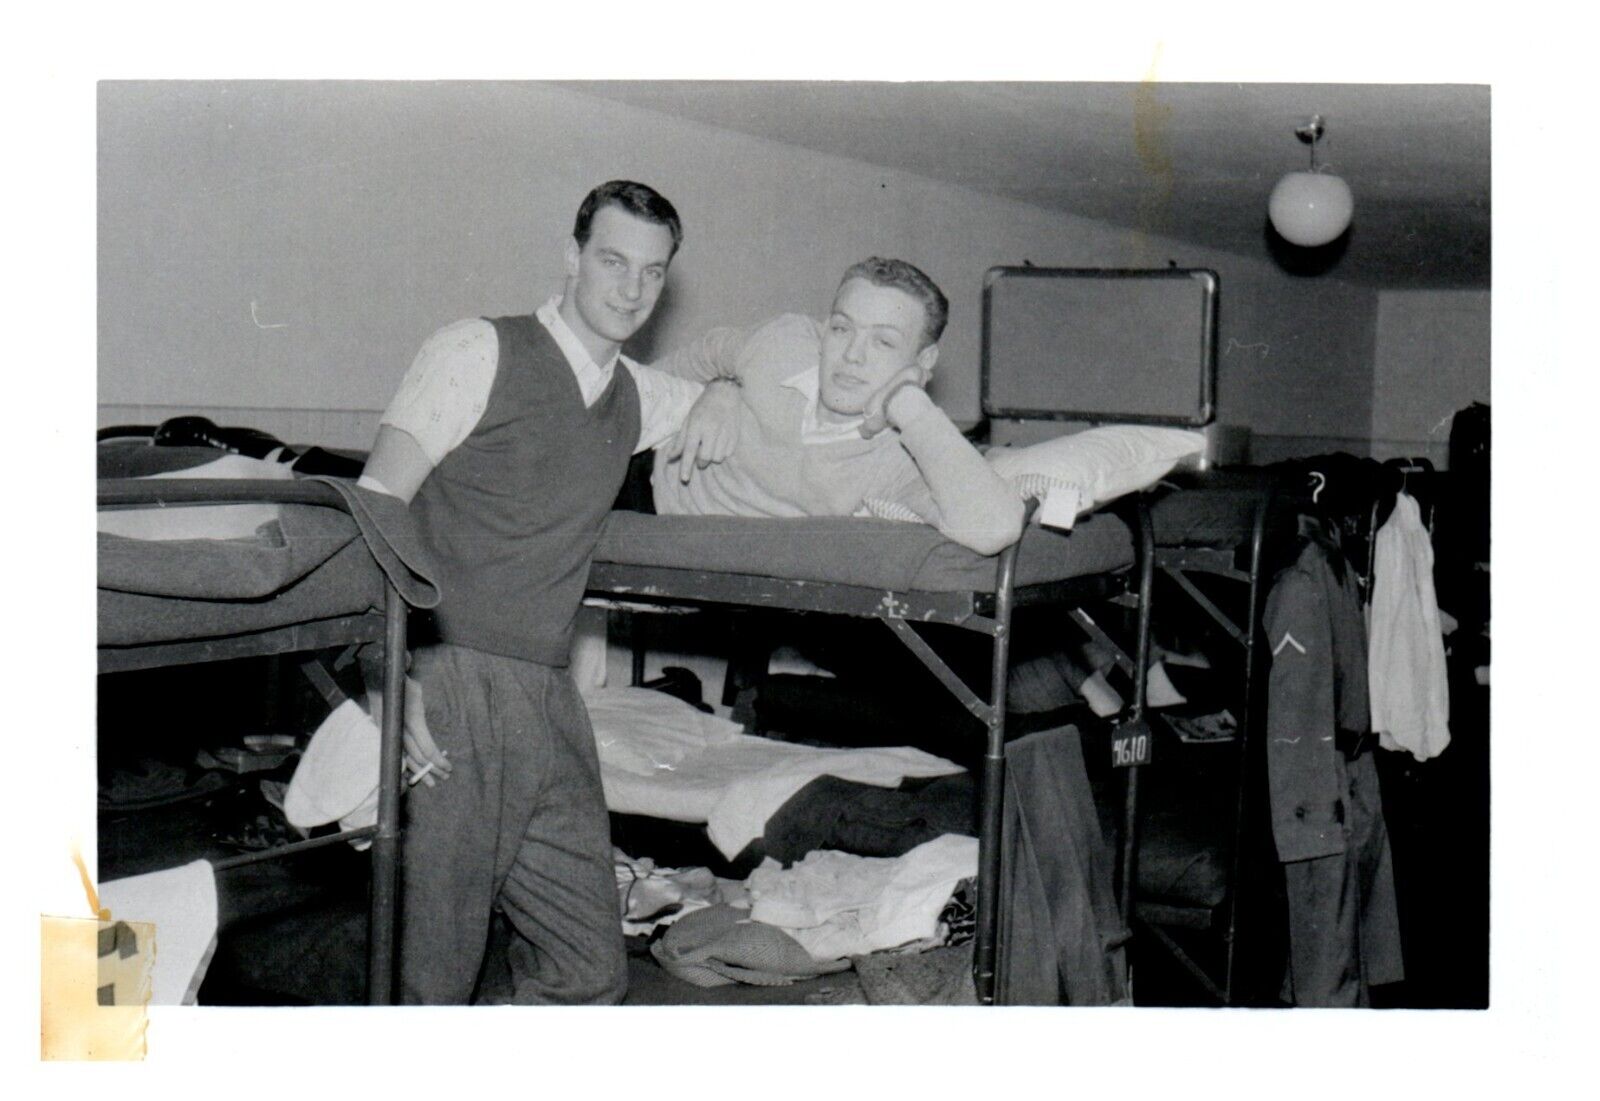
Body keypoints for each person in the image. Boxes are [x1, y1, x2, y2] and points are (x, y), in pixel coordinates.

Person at [360, 180, 726, 1005]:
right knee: (432, 972)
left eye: (653, 272)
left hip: (550, 698)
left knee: (590, 970)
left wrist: (731, 391)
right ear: (571, 257)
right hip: (449, 677)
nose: (631, 288)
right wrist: (386, 674)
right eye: (612, 261)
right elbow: (377, 502)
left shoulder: (639, 395)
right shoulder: (477, 349)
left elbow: (731, 394)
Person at [651, 257, 1024, 555]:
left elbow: (996, 528)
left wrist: (910, 403)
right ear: (825, 328)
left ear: (923, 361)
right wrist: (720, 388)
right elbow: (654, 377)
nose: (852, 355)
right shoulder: (786, 342)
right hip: (645, 468)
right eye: (843, 329)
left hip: (690, 545)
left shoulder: (899, 460)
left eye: (883, 342)